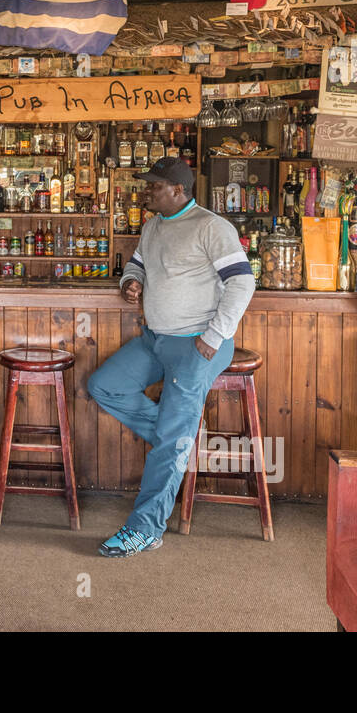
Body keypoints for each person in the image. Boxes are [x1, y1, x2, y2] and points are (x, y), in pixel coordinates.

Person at [86, 158, 256, 557]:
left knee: (170, 439)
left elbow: (242, 282)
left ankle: (145, 528)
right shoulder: (153, 226)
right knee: (103, 386)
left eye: (155, 186)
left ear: (178, 190)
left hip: (198, 343)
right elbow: (138, 265)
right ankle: (177, 441)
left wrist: (215, 335)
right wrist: (131, 281)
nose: (147, 192)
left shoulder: (211, 227)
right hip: (155, 339)